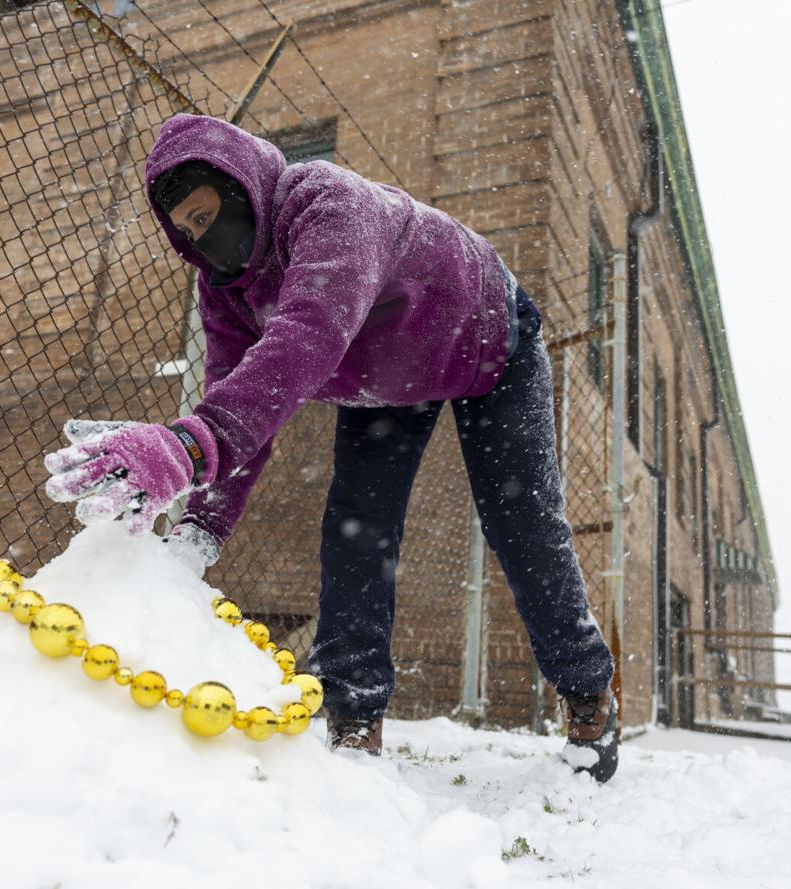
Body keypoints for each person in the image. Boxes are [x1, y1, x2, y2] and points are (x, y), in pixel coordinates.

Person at [43, 113, 619, 782]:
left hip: (486, 339)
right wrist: (200, 528)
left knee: (520, 519)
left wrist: (187, 448)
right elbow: (233, 390)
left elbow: (306, 336)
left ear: (242, 186)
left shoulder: (328, 205)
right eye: (187, 231)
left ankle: (587, 690)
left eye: (207, 215)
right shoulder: (223, 289)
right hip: (383, 381)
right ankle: (353, 713)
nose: (204, 238)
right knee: (356, 528)